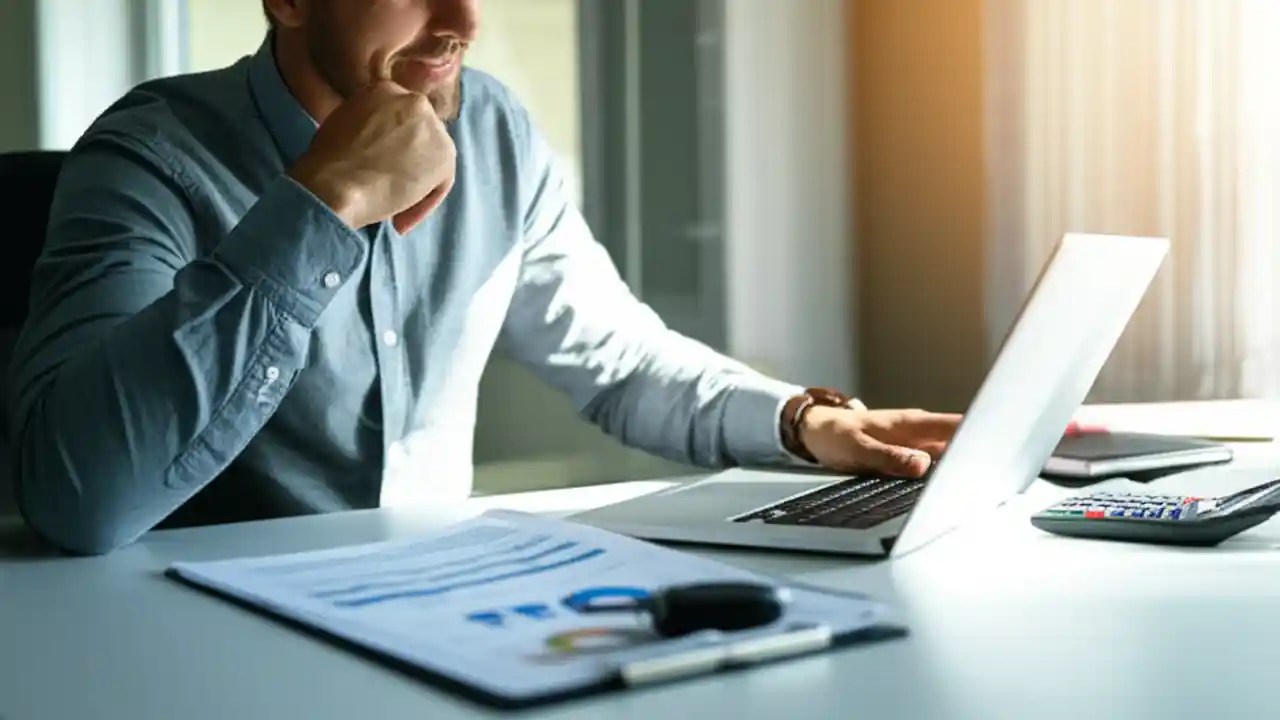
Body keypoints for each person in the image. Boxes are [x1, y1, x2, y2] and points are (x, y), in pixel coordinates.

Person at [5, 0, 960, 555]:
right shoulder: (151, 157)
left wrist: (802, 421)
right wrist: (321, 201)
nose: (464, 20)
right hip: (198, 641)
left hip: (441, 604)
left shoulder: (493, 130)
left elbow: (615, 357)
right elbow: (80, 500)